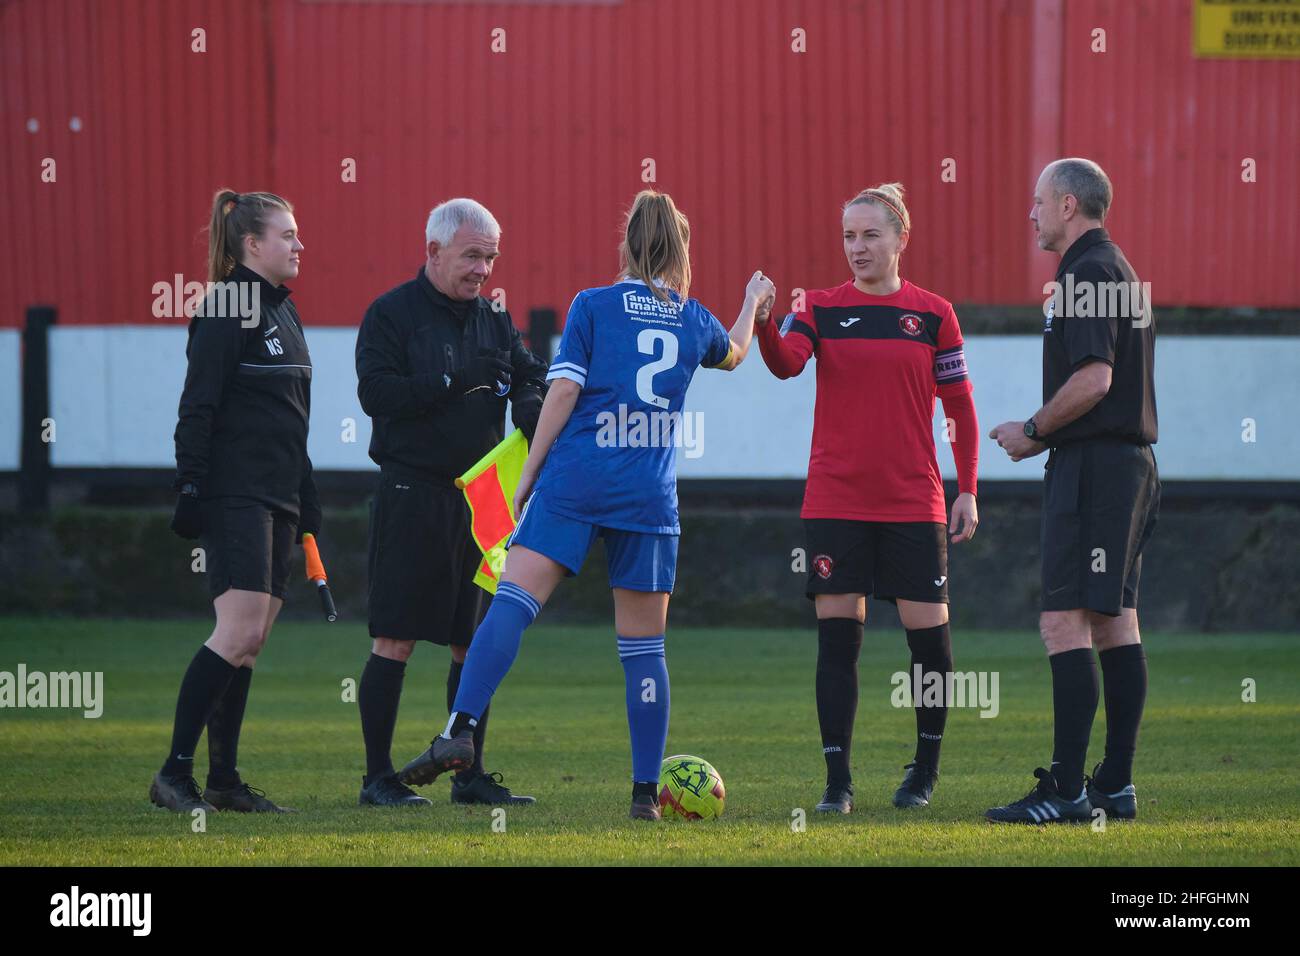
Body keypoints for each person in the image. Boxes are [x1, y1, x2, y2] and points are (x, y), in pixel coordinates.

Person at [395, 189, 774, 820]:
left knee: (511, 607)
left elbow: (564, 391)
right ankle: (645, 795)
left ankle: (459, 728)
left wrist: (531, 471)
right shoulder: (691, 317)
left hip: (577, 482)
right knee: (644, 650)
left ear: (627, 244)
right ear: (682, 249)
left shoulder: (594, 305)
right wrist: (753, 304)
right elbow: (734, 355)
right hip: (648, 497)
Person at [756, 183, 979, 814]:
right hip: (836, 500)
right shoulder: (820, 308)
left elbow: (959, 407)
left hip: (915, 501)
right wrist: (768, 319)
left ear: (901, 238)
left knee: (928, 643)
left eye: (870, 234)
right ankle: (837, 784)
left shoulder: (934, 313)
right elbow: (785, 364)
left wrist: (968, 490)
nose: (857, 247)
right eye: (849, 236)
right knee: (837, 643)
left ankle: (923, 774)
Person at [354, 197, 548, 807]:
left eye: (490, 258)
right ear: (433, 251)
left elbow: (528, 373)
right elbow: (375, 394)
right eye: (472, 256)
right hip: (412, 494)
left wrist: (529, 404)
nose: (483, 270)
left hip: (480, 501)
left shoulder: (494, 318)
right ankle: (377, 779)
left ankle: (469, 774)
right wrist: (446, 383)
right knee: (395, 638)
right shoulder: (390, 314)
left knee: (474, 639)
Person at [986, 158, 1157, 824]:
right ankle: (1114, 785)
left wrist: (1032, 431)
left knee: (1065, 621)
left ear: (1067, 205)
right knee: (1115, 621)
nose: (1030, 213)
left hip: (1096, 470)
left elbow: (1094, 380)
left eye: (1037, 201)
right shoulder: (1118, 268)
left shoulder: (1087, 271)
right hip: (1128, 467)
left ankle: (1065, 790)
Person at [153, 188, 316, 814]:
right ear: (252, 245)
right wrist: (190, 484)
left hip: (278, 496)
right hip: (235, 494)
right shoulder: (229, 306)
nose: (299, 245)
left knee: (253, 639)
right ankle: (173, 773)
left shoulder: (284, 311)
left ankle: (224, 780)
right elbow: (198, 404)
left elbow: (290, 420)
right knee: (237, 629)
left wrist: (307, 498)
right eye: (287, 235)